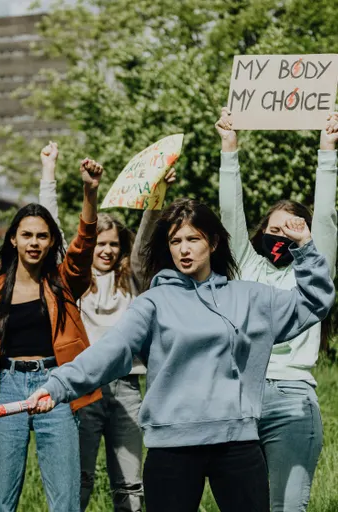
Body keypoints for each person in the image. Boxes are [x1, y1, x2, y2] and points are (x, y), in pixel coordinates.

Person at [27, 198, 335, 512]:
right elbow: (110, 351)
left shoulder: (248, 297)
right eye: (175, 241)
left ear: (213, 242)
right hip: (172, 446)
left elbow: (315, 301)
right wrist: (59, 385)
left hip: (236, 442)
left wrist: (305, 247)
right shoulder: (153, 303)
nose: (184, 249)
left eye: (192, 239)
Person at [38, 141, 175, 512]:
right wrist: (48, 171)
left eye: (114, 244)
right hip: (84, 386)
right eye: (100, 242)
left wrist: (157, 192)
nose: (107, 250)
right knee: (79, 479)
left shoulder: (134, 279)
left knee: (131, 483)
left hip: (128, 388)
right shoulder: (73, 279)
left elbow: (148, 237)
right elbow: (52, 228)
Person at [216, 108, 338, 512]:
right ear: (261, 234)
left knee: (287, 507)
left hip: (293, 400)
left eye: (292, 228)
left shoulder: (311, 272)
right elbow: (231, 215)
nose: (282, 235)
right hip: (239, 399)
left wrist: (327, 151)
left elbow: (325, 217)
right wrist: (229, 149)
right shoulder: (246, 266)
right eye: (274, 229)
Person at [0, 152, 104, 511]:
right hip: (9, 388)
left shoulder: (62, 282)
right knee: (0, 501)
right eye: (26, 235)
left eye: (42, 236)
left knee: (65, 500)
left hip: (55, 386)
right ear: (12, 239)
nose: (34, 242)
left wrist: (89, 194)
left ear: (50, 242)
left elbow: (83, 248)